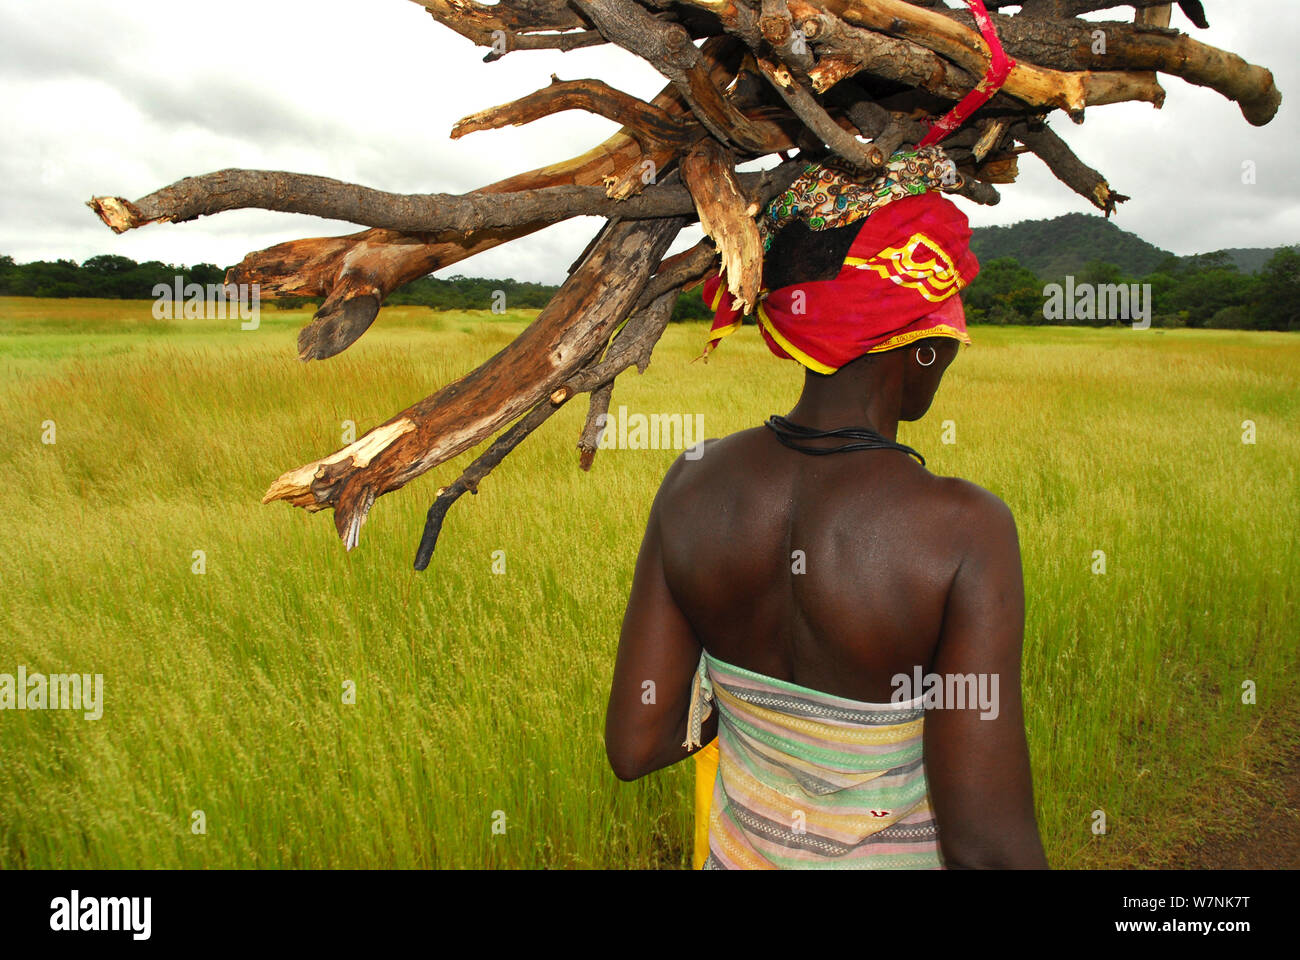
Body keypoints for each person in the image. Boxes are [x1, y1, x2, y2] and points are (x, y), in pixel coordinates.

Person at [604, 147, 1048, 870]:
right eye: (949, 336)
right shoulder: (966, 533)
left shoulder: (692, 483)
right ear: (919, 342)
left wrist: (757, 711)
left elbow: (637, 744)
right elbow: (985, 842)